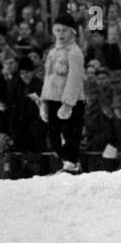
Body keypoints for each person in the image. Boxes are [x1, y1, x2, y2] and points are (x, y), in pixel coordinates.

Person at [39, 12, 87, 173]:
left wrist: (68, 104)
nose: (60, 34)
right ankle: (69, 161)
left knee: (70, 134)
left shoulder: (74, 52)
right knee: (54, 138)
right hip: (52, 98)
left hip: (70, 101)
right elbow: (48, 77)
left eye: (64, 30)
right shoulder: (53, 52)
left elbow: (74, 79)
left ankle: (72, 163)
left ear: (72, 32)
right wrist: (44, 102)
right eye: (57, 30)